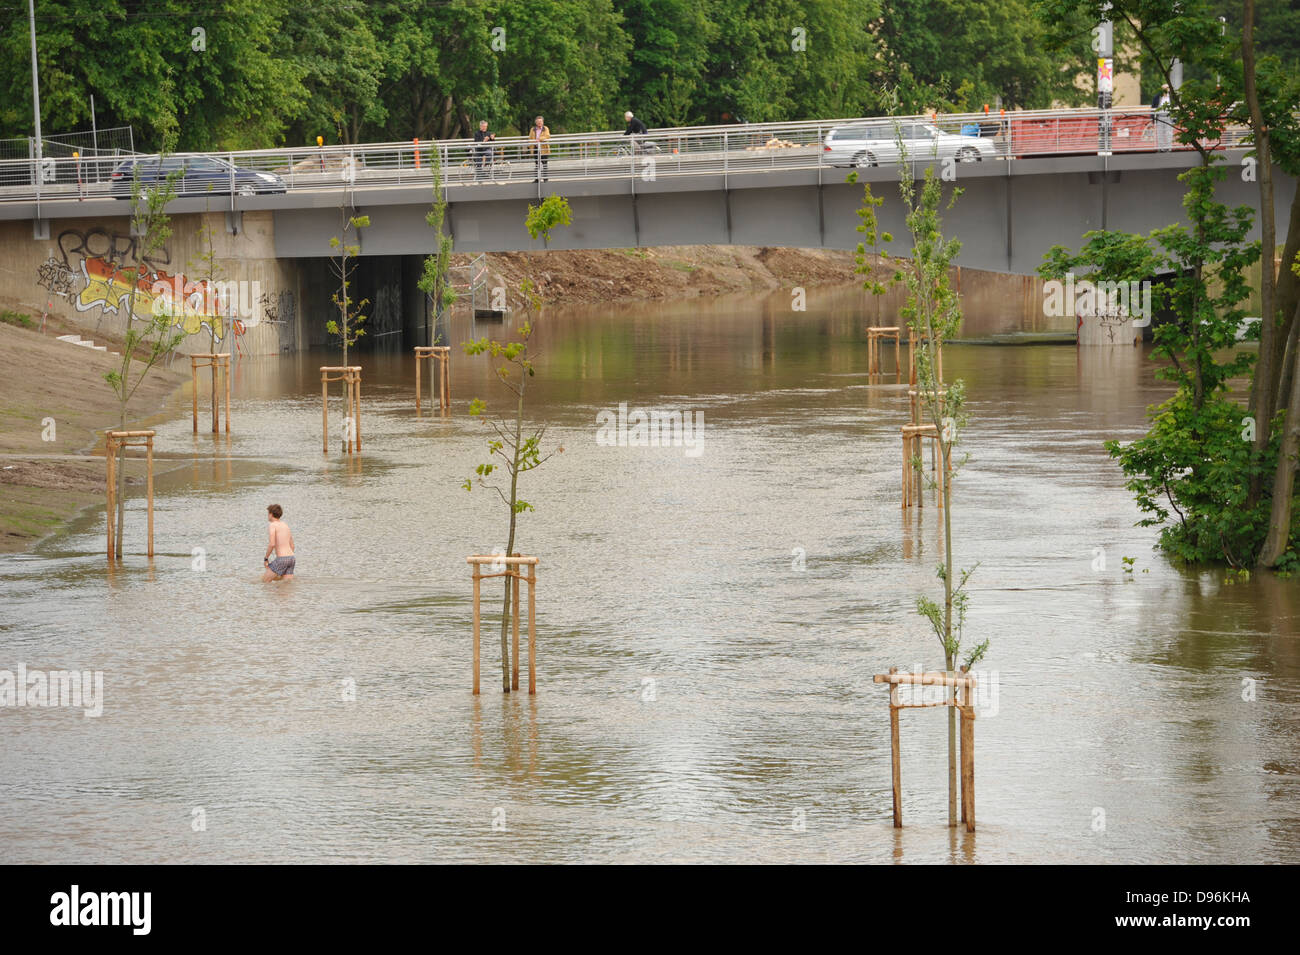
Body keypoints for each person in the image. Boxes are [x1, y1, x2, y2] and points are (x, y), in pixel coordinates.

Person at [262, 503, 295, 581]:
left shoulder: (273, 525)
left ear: (271, 514)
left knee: (264, 582)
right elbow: (292, 546)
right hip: (291, 558)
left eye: (268, 513)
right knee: (286, 586)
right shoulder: (285, 525)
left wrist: (266, 558)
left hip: (282, 559)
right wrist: (287, 560)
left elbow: (272, 544)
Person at [1151, 84, 1172, 152]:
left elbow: (1176, 106)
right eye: (1164, 88)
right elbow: (1153, 107)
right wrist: (1153, 118)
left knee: (1169, 133)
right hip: (1159, 117)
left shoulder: (1172, 97)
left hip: (1169, 117)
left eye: (1167, 88)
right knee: (1160, 133)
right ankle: (1161, 148)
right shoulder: (1157, 97)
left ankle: (1169, 148)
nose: (1165, 90)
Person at [529, 115, 550, 181]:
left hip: (544, 148)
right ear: (536, 123)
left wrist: (539, 139)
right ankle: (537, 179)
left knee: (544, 163)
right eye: (538, 122)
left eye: (540, 121)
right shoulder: (533, 129)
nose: (539, 123)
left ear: (543, 122)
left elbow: (547, 136)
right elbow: (530, 138)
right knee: (537, 164)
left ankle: (545, 178)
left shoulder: (545, 128)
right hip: (535, 148)